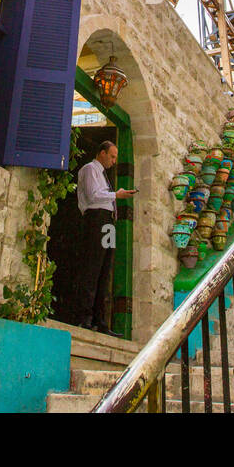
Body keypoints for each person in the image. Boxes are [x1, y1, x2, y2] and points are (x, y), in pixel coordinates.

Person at [74, 141, 136, 334]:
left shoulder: (104, 175)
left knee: (105, 269)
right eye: (112, 156)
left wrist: (115, 197)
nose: (114, 161)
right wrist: (116, 195)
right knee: (92, 267)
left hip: (108, 223)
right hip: (97, 220)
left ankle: (101, 321)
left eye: (116, 157)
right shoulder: (90, 169)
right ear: (102, 153)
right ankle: (84, 317)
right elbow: (93, 196)